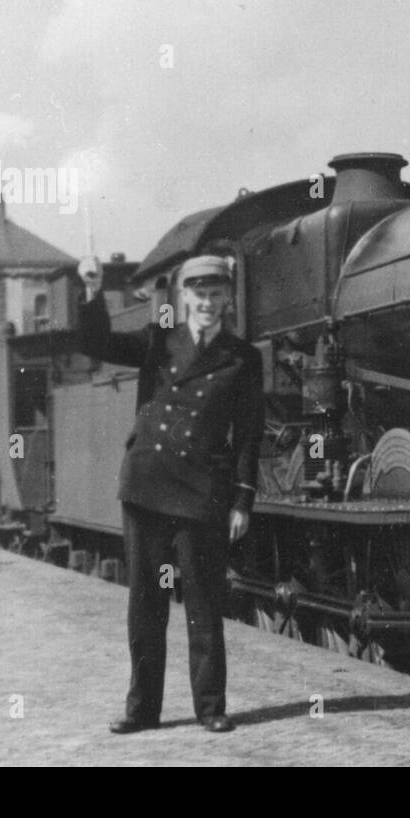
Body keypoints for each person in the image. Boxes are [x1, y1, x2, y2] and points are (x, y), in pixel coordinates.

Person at [77, 252, 264, 734]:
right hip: (146, 486)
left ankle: (211, 707)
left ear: (227, 298)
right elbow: (96, 341)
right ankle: (142, 709)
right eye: (198, 294)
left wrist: (243, 500)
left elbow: (248, 434)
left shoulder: (244, 358)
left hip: (203, 492)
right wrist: (94, 292)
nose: (207, 302)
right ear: (183, 298)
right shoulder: (158, 342)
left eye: (216, 293)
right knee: (146, 603)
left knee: (204, 604)